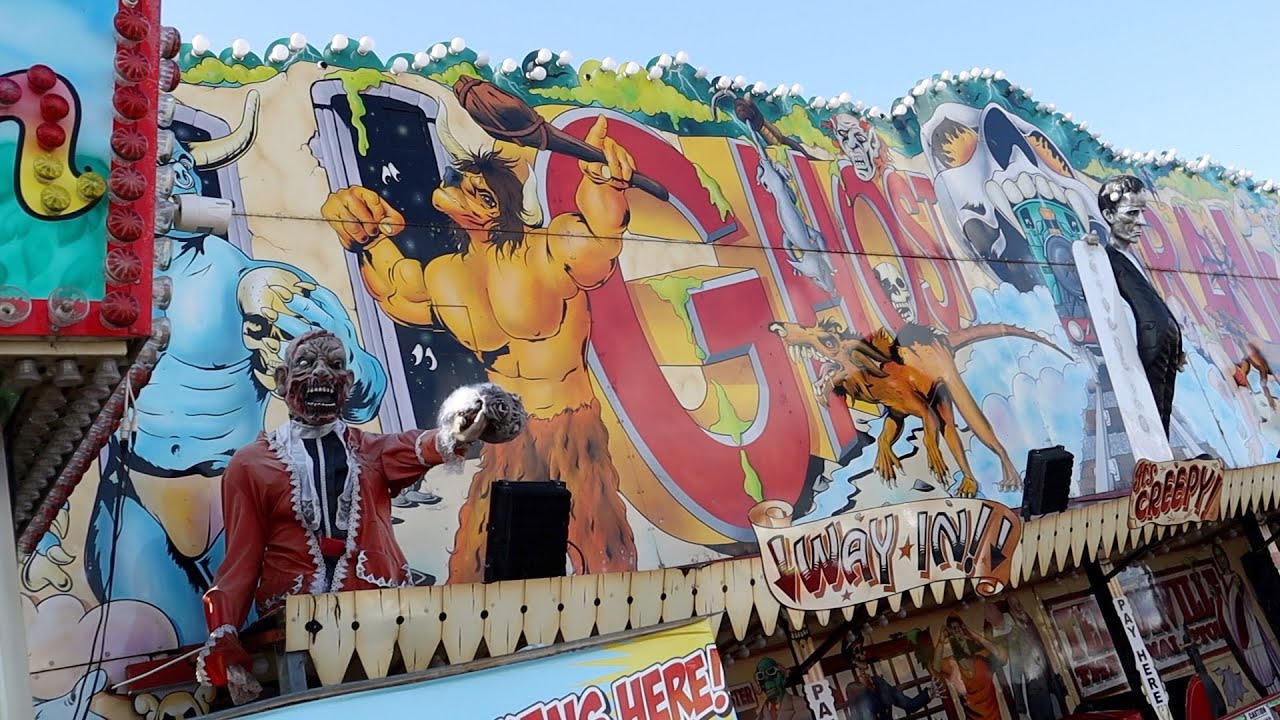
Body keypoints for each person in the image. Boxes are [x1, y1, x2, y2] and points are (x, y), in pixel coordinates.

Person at [322, 115, 641, 581]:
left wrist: (604, 186)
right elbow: (396, 291)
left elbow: (595, 241)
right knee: (478, 557)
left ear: (501, 207)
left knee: (603, 555)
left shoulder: (543, 252)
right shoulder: (447, 273)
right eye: (460, 183)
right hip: (506, 437)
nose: (465, 194)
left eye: (483, 193)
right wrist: (366, 235)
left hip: (572, 429)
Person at [193, 329, 526, 704]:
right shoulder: (249, 465)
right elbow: (240, 562)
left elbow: (422, 446)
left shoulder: (371, 452)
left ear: (348, 383)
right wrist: (224, 635)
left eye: (335, 365)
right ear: (283, 380)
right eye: (305, 364)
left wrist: (458, 431)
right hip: (294, 623)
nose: (321, 374)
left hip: (380, 611)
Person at [1088, 175, 1186, 435]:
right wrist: (1091, 250)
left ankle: (1161, 464)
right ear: (1109, 215)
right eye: (1132, 213)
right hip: (1148, 349)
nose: (1141, 221)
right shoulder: (1106, 256)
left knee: (1163, 412)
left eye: (1141, 212)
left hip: (1163, 347)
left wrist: (1178, 344)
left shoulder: (1131, 260)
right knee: (1153, 416)